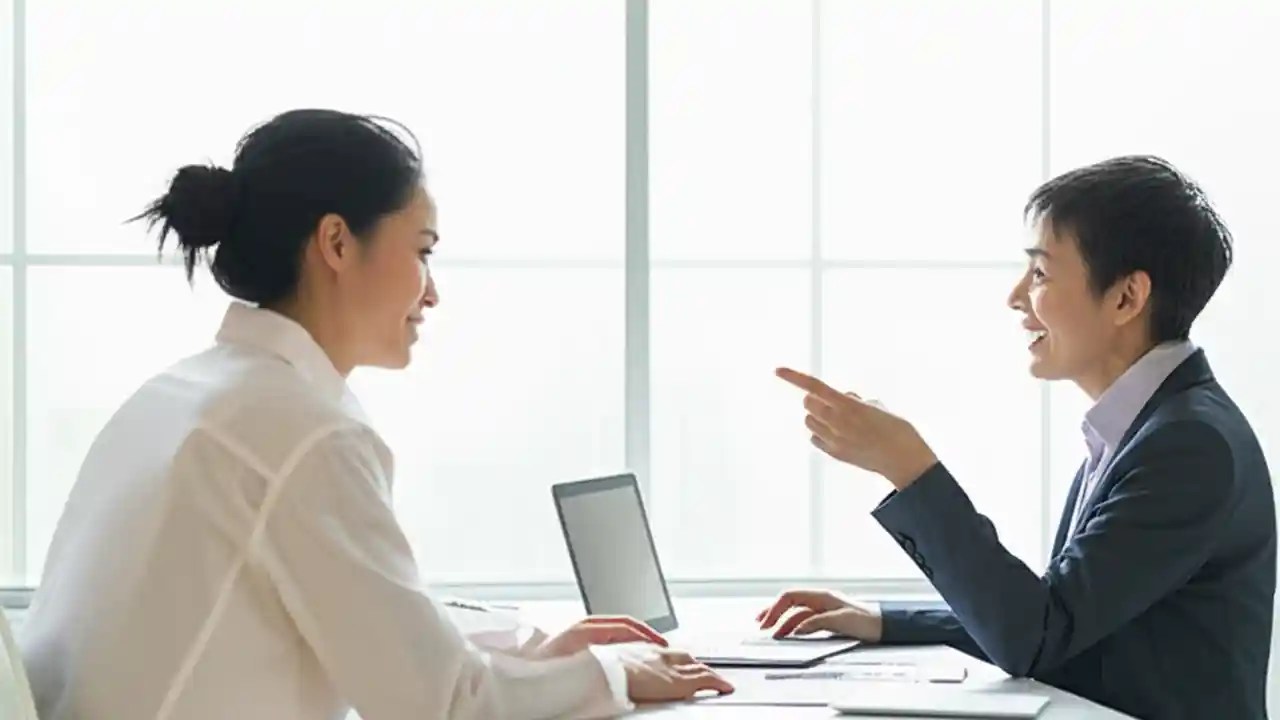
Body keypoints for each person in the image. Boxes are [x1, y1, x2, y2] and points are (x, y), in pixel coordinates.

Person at [18, 109, 732, 720]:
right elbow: (439, 703)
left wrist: (529, 650)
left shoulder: (190, 395)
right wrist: (614, 677)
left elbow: (362, 617)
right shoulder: (300, 429)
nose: (432, 294)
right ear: (336, 243)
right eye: (423, 252)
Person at [759, 156, 1275, 719]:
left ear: (1126, 298)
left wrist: (908, 467)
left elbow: (1038, 635)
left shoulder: (1187, 446)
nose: (1015, 297)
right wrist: (882, 620)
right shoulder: (1150, 426)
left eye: (1040, 274)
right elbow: (1058, 615)